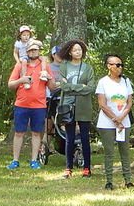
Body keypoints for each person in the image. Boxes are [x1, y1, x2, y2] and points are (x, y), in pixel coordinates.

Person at [7, 40, 55, 170]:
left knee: (36, 133)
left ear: (39, 51)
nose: (33, 52)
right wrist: (21, 80)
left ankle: (34, 160)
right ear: (27, 51)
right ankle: (15, 160)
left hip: (39, 105)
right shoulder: (20, 65)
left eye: (35, 50)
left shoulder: (45, 65)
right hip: (21, 104)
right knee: (19, 132)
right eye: (30, 50)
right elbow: (10, 84)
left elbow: (52, 87)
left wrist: (49, 77)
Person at [95, 53, 134, 189]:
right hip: (107, 122)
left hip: (124, 121)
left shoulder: (125, 81)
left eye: (121, 65)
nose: (120, 67)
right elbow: (102, 104)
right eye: (117, 65)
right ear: (109, 66)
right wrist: (115, 118)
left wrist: (122, 117)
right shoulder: (103, 82)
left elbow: (129, 102)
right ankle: (109, 181)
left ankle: (128, 180)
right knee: (109, 152)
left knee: (125, 151)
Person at [59, 40, 96, 178]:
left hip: (84, 106)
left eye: (80, 50)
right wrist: (81, 87)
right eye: (75, 50)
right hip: (67, 106)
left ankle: (87, 168)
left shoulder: (88, 68)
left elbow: (91, 88)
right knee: (69, 138)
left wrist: (71, 87)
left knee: (85, 137)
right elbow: (63, 87)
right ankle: (68, 168)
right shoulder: (64, 66)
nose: (78, 52)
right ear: (70, 52)